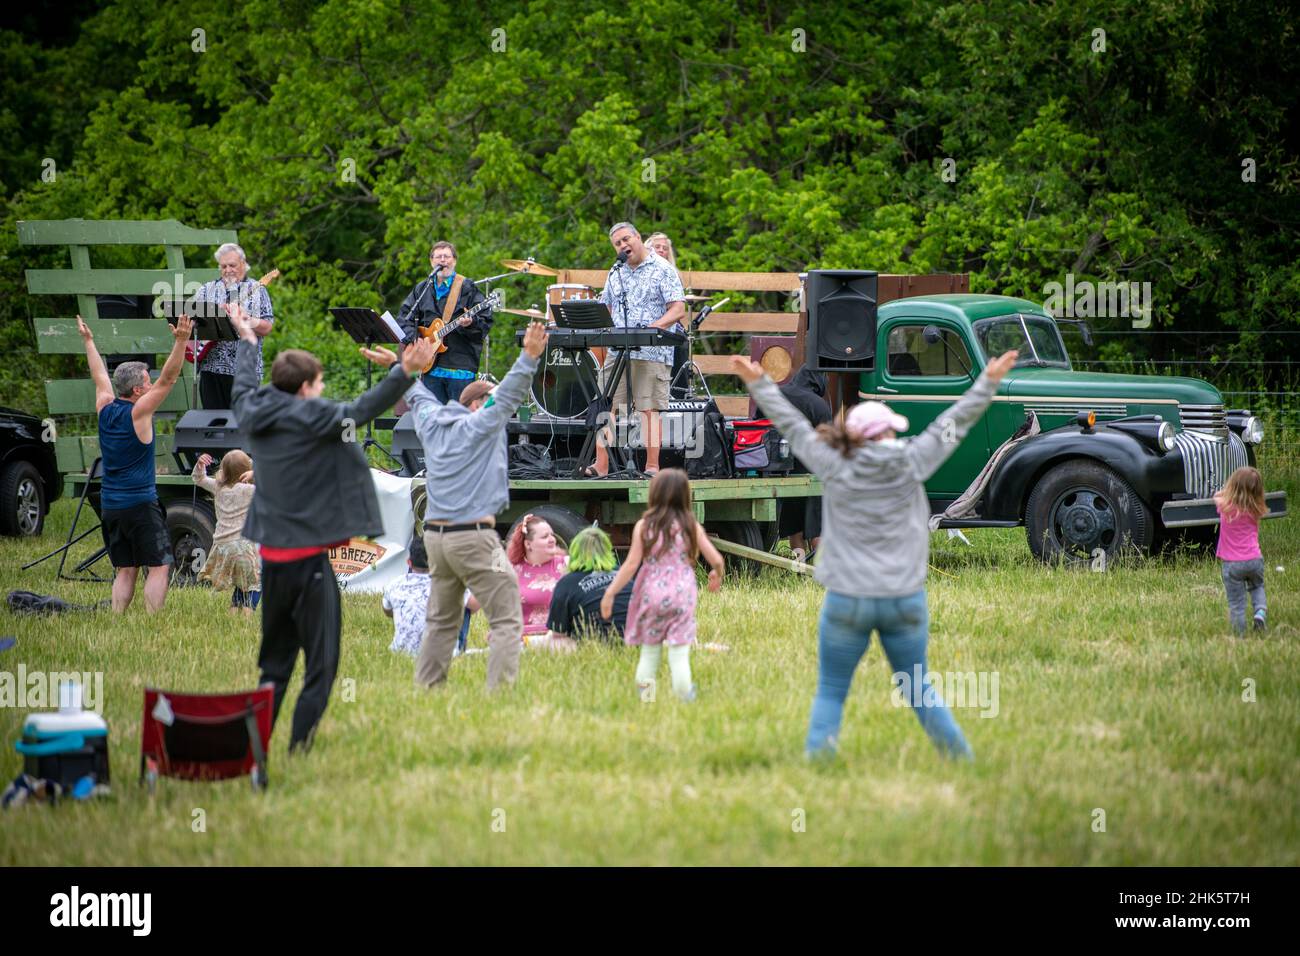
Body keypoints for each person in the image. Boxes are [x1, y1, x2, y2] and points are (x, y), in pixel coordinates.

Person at [732, 347, 1019, 761]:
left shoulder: (831, 461)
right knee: (918, 688)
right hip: (903, 597)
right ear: (887, 434)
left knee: (832, 690)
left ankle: (819, 764)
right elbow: (951, 424)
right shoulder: (912, 460)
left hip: (847, 597)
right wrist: (987, 384)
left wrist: (760, 385)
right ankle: (960, 759)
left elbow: (793, 428)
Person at [228, 302, 434, 753]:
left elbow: (243, 385)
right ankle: (298, 748)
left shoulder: (252, 413)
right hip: (310, 564)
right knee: (322, 665)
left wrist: (247, 340)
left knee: (274, 665)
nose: (322, 391)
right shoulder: (313, 417)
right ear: (304, 389)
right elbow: (363, 409)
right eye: (319, 384)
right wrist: (405, 370)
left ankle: (255, 747)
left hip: (272, 562)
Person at [405, 321, 549, 691]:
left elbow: (416, 394)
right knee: (506, 616)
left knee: (441, 620)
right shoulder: (479, 424)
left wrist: (405, 368)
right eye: (490, 398)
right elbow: (508, 396)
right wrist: (529, 356)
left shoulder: (432, 424)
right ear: (476, 404)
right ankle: (499, 695)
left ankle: (428, 689)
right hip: (475, 536)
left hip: (436, 537)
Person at [78, 313, 192, 612]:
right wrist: (181, 341)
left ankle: (118, 617)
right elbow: (169, 379)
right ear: (139, 390)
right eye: (147, 380)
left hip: (111, 504)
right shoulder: (139, 412)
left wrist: (89, 342)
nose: (151, 382)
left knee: (125, 569)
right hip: (140, 503)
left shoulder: (105, 406)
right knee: (159, 566)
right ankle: (152, 620)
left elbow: (99, 375)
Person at [601, 469, 725, 702]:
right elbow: (717, 560)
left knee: (649, 653)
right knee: (679, 654)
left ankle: (647, 699)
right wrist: (716, 575)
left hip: (652, 594)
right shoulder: (691, 526)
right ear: (685, 495)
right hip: (681, 595)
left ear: (654, 494)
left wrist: (610, 593)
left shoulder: (644, 526)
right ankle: (684, 696)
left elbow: (630, 566)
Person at [588, 222, 686, 477]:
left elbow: (678, 309)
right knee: (605, 406)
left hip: (652, 351)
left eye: (626, 239)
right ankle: (601, 465)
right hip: (618, 351)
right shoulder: (616, 271)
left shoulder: (663, 269)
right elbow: (606, 307)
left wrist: (653, 328)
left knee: (648, 408)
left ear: (638, 237)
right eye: (618, 243)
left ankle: (652, 467)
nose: (623, 245)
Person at [396, 240, 494, 404]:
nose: (443, 260)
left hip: (460, 367)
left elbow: (485, 322)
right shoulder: (422, 289)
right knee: (434, 421)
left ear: (454, 261)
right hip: (430, 368)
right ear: (431, 261)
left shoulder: (466, 287)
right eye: (438, 257)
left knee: (460, 421)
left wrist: (471, 323)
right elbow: (403, 318)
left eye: (447, 256)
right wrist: (417, 340)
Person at [193, 243, 275, 410]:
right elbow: (194, 323)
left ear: (243, 264)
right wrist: (213, 316)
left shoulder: (257, 290)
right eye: (223, 266)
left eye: (232, 265)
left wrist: (245, 319)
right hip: (211, 369)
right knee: (211, 424)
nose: (228, 270)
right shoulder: (206, 290)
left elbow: (267, 327)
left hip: (244, 370)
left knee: (241, 425)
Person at [191, 451, 260, 614]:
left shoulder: (218, 487)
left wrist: (200, 465)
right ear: (245, 469)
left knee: (240, 581)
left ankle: (233, 614)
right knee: (256, 583)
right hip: (244, 546)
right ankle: (246, 618)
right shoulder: (249, 490)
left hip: (222, 547)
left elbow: (198, 479)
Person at [547, 526, 637, 649]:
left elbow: (558, 632)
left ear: (575, 551)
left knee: (554, 640)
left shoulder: (566, 583)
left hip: (593, 649)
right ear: (607, 549)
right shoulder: (623, 575)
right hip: (634, 645)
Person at [776, 367, 832, 557]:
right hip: (812, 472)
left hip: (782, 470)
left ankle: (797, 567)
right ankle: (819, 569)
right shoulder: (818, 405)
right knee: (817, 528)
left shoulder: (776, 395)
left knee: (794, 528)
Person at [1214, 466, 1268, 635]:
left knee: (1237, 602)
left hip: (1232, 564)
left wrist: (1227, 490)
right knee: (1257, 586)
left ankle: (1240, 635)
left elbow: (1216, 496)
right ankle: (1260, 612)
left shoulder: (1225, 507)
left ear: (1233, 485)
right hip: (1254, 560)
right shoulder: (1256, 509)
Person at [506, 514, 569, 644]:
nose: (552, 539)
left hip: (557, 637)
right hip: (520, 639)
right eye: (545, 536)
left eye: (552, 535)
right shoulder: (512, 570)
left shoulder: (567, 565)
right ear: (528, 544)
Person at [384, 532, 433, 657]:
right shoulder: (444, 585)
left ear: (409, 563)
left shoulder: (393, 584)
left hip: (399, 653)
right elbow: (473, 606)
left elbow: (387, 610)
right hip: (435, 654)